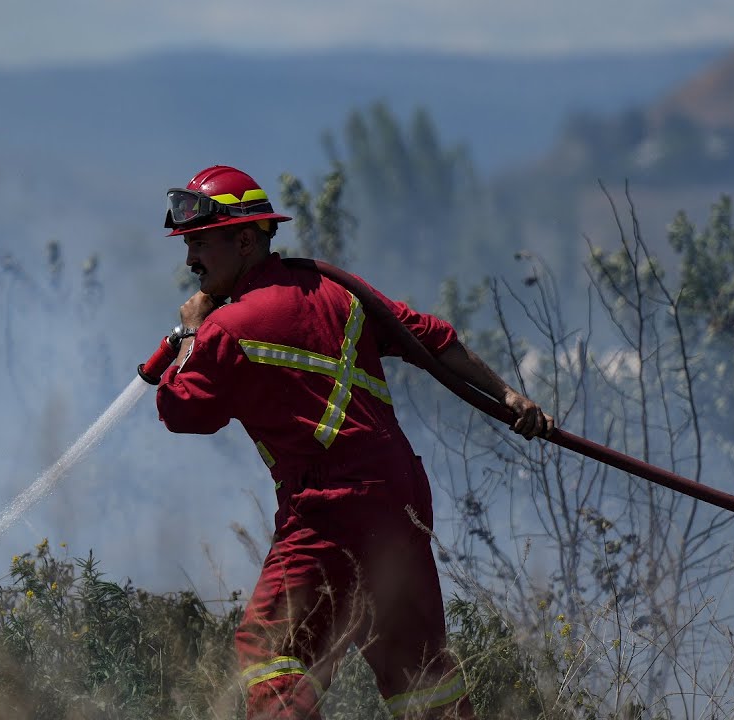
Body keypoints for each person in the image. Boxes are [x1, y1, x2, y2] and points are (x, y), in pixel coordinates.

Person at [154, 165, 553, 719]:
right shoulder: (339, 293)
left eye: (200, 243)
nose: (191, 261)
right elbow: (432, 339)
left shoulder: (226, 329)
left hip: (328, 509)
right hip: (400, 500)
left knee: (269, 653)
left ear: (245, 241)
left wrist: (190, 333)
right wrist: (509, 395)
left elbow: (180, 410)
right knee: (417, 674)